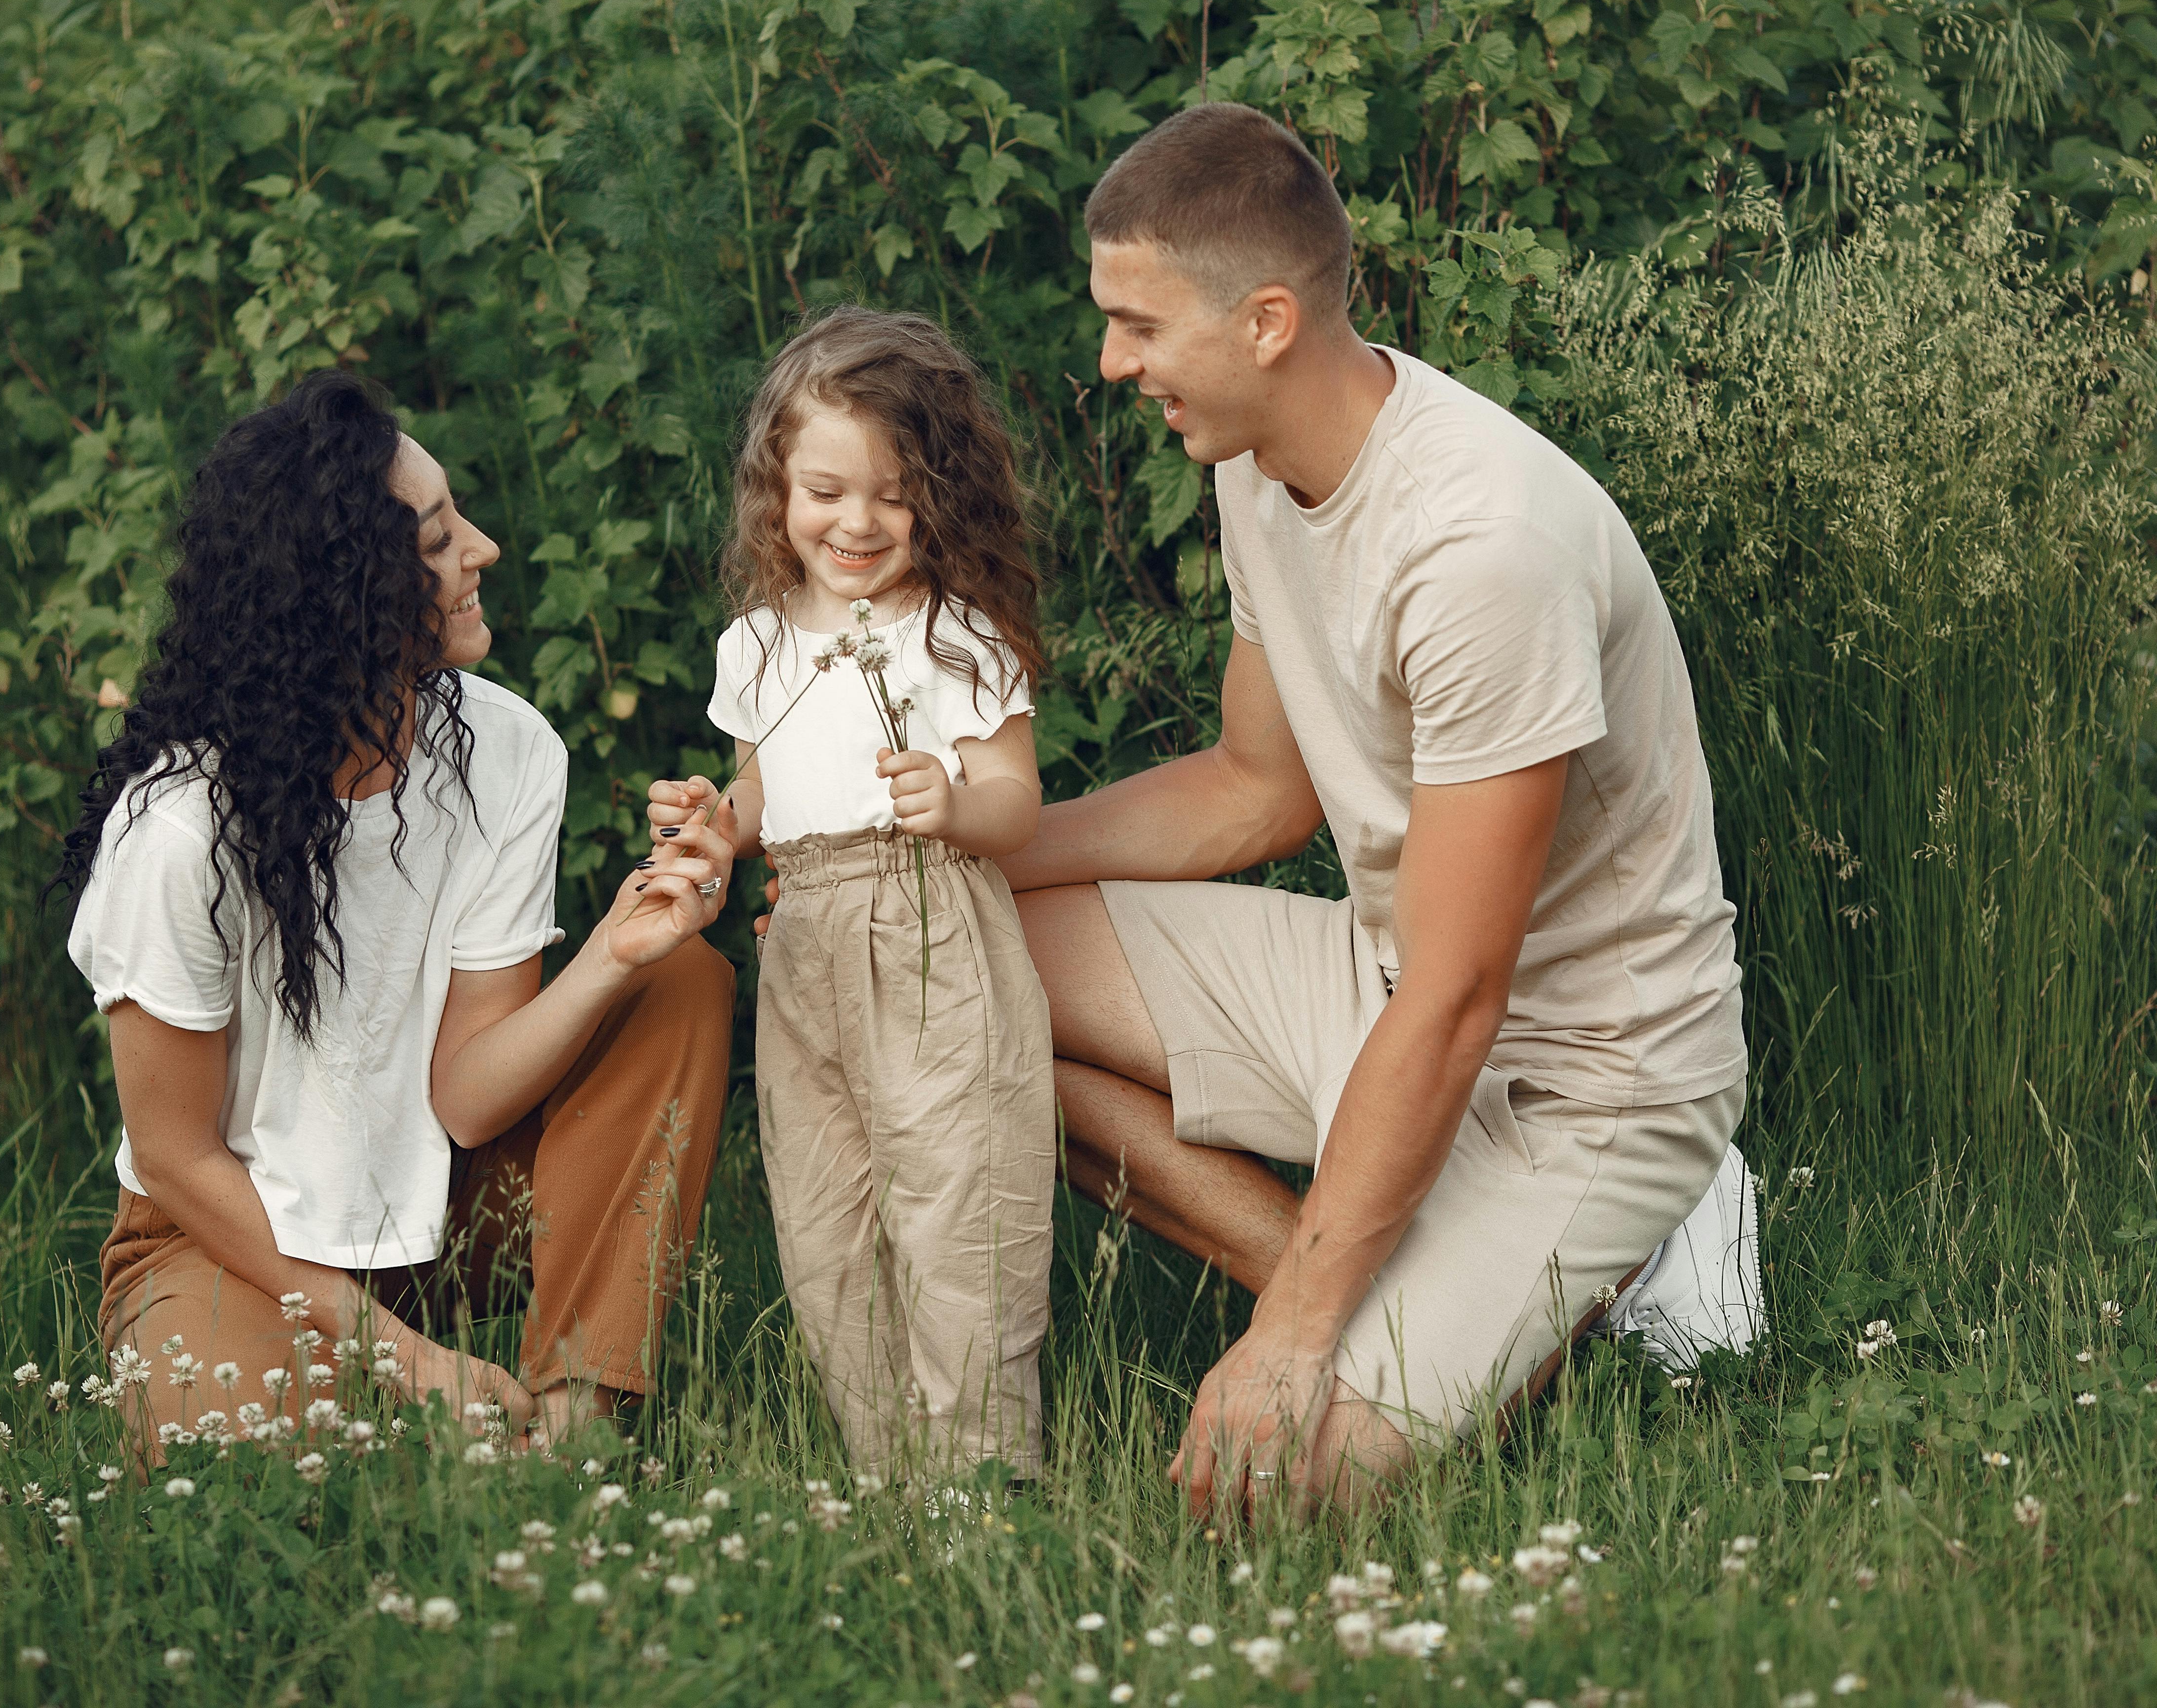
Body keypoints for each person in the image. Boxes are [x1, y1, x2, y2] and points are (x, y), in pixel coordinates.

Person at [1004, 104, 1751, 1513]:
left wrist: (1285, 1349)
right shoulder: (1251, 460)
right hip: (1390, 985)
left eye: (1138, 325)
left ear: (1269, 321)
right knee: (943, 966)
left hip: (1587, 1076)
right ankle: (1394, 1279)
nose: (1113, 363)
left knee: (1295, 1494)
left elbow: (1469, 998)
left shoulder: (1483, 553)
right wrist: (956, 855)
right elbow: (1252, 793)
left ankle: (1609, 1255)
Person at [55, 371, 739, 1460]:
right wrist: (399, 1354)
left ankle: (569, 1434)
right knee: (249, 1470)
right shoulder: (181, 831)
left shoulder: (508, 751)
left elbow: (468, 1100)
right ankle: (379, 1390)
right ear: (340, 592)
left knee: (678, 981)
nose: (483, 551)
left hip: (444, 1205)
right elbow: (179, 1161)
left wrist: (614, 952)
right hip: (232, 1242)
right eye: (435, 541)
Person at [648, 306, 1057, 1478]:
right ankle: (889, 1468)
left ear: (945, 495)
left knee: (957, 1199)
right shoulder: (759, 645)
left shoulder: (958, 636)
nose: (858, 523)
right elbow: (764, 791)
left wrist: (954, 801)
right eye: (825, 491)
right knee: (828, 1215)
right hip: (809, 949)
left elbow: (1017, 801)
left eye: (894, 493)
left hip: (935, 925)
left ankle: (981, 1470)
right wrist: (713, 833)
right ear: (777, 488)